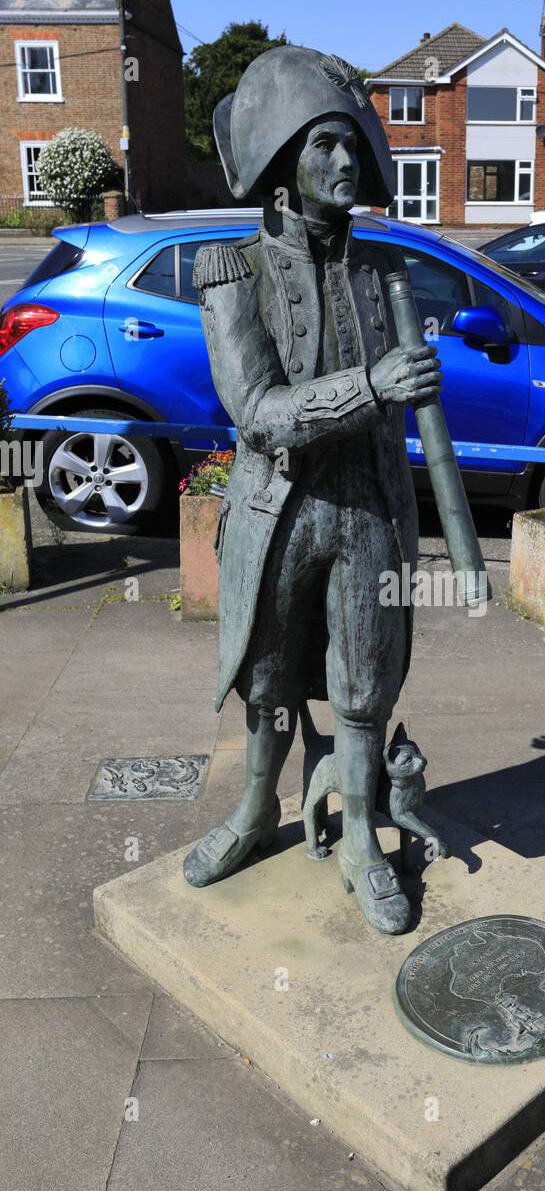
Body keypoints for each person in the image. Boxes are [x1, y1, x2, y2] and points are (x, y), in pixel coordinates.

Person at [182, 45, 442, 934]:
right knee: (268, 682)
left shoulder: (382, 276)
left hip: (367, 511)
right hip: (279, 513)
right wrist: (374, 385)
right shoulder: (231, 271)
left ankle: (361, 835)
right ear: (284, 157)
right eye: (325, 144)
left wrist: (416, 381)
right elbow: (257, 412)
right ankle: (258, 812)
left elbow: (401, 406)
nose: (345, 162)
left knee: (365, 687)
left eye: (352, 146)